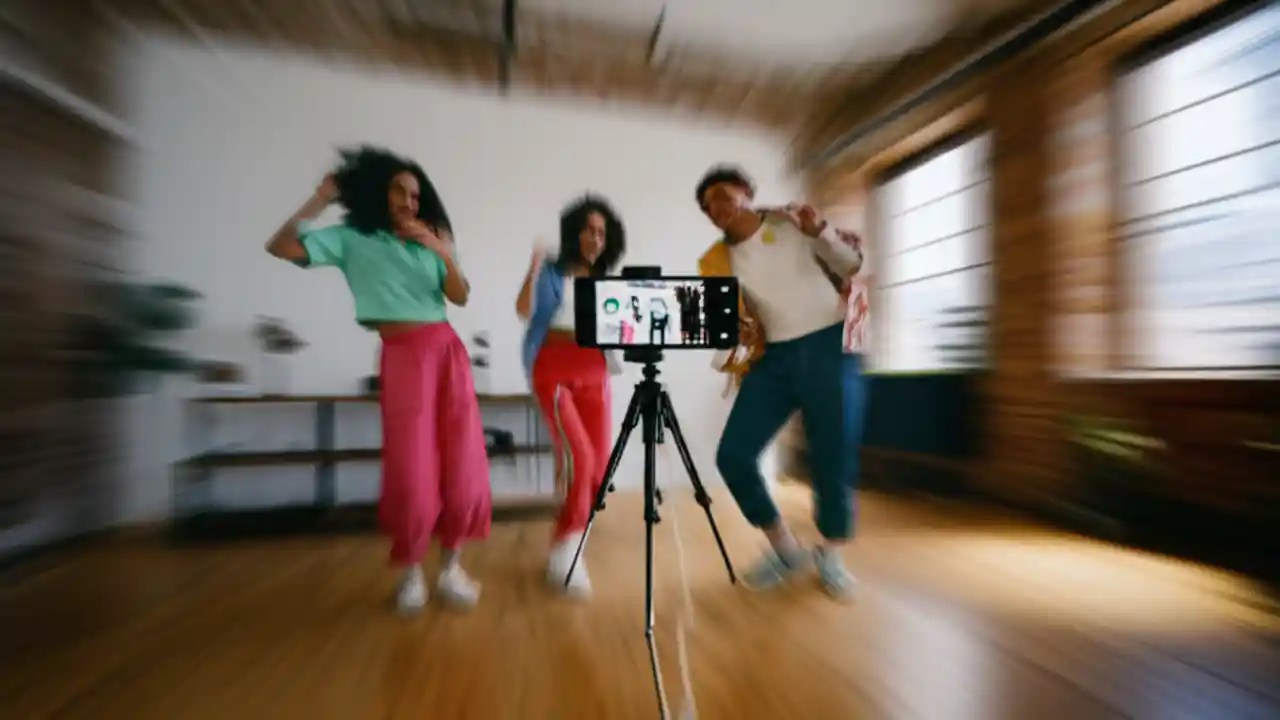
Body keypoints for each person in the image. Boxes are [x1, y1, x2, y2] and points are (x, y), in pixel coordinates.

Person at [265, 146, 491, 614]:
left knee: (462, 463)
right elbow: (281, 246)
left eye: (415, 193)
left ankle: (451, 568)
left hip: (447, 352)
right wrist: (320, 198)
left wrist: (443, 253)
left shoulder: (433, 235)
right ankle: (411, 572)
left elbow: (461, 296)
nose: (409, 201)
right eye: (399, 190)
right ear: (378, 192)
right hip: (402, 357)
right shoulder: (352, 238)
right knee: (411, 471)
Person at [695, 165, 869, 601]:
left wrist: (820, 231)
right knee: (733, 455)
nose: (715, 208)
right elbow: (724, 324)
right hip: (774, 359)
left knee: (832, 457)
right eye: (706, 206)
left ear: (747, 191)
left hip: (831, 347)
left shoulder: (792, 223)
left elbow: (852, 263)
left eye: (721, 195)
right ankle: (786, 550)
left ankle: (831, 555)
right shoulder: (716, 260)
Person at [516, 195, 626, 597]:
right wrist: (532, 266)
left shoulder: (607, 282)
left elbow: (620, 332)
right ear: (574, 232)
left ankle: (567, 545)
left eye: (602, 232)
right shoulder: (550, 273)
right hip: (554, 368)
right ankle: (568, 554)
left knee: (598, 469)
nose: (595, 238)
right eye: (588, 229)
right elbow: (524, 310)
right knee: (578, 458)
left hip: (595, 371)